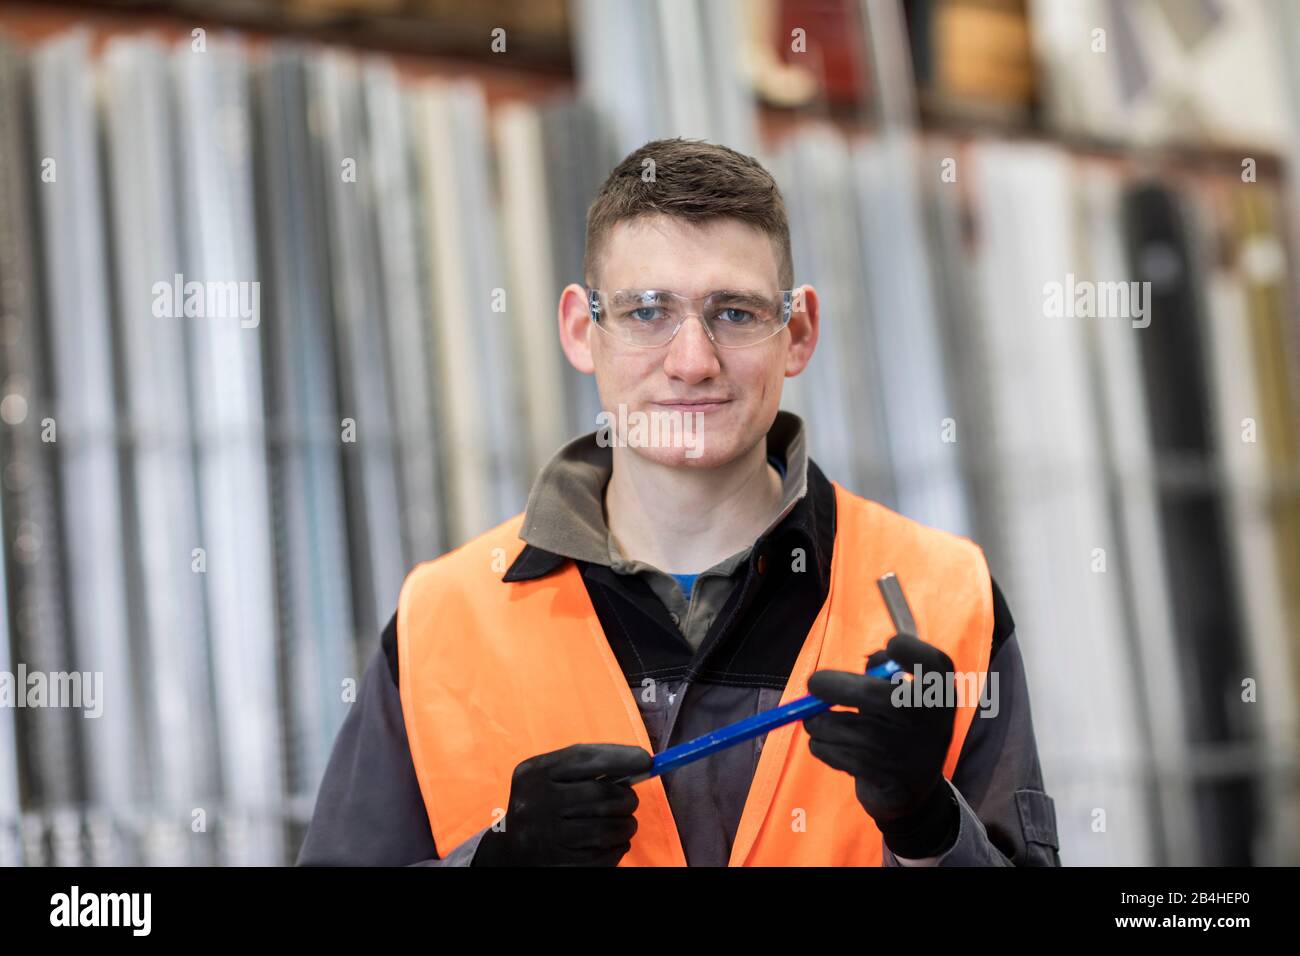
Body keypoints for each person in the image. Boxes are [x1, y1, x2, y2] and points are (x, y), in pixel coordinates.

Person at [298, 137, 1061, 867]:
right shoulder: (443, 623)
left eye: (735, 313)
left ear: (796, 333)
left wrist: (928, 828)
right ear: (579, 329)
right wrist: (495, 860)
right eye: (646, 312)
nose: (692, 362)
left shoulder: (947, 602)